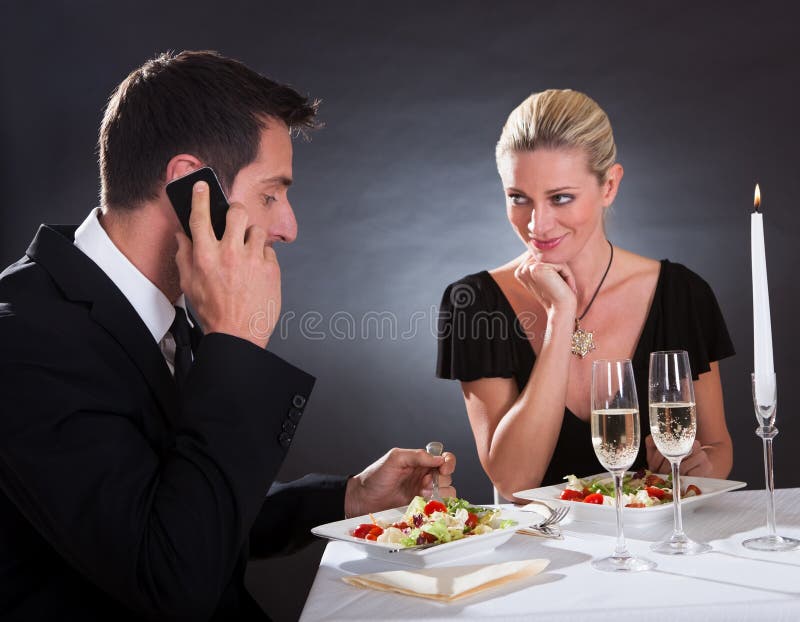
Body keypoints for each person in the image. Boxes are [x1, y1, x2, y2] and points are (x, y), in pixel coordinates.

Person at [0, 50, 455, 621]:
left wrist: (349, 497)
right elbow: (171, 573)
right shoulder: (22, 341)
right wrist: (236, 343)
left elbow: (186, 502)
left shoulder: (162, 314)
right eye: (270, 194)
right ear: (190, 185)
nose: (289, 227)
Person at [436, 89, 733, 501]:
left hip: (655, 537)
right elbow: (514, 482)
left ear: (609, 185)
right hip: (539, 542)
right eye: (518, 198)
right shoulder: (475, 303)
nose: (537, 225)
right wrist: (560, 317)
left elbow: (717, 447)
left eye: (561, 198)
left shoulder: (683, 295)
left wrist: (702, 469)